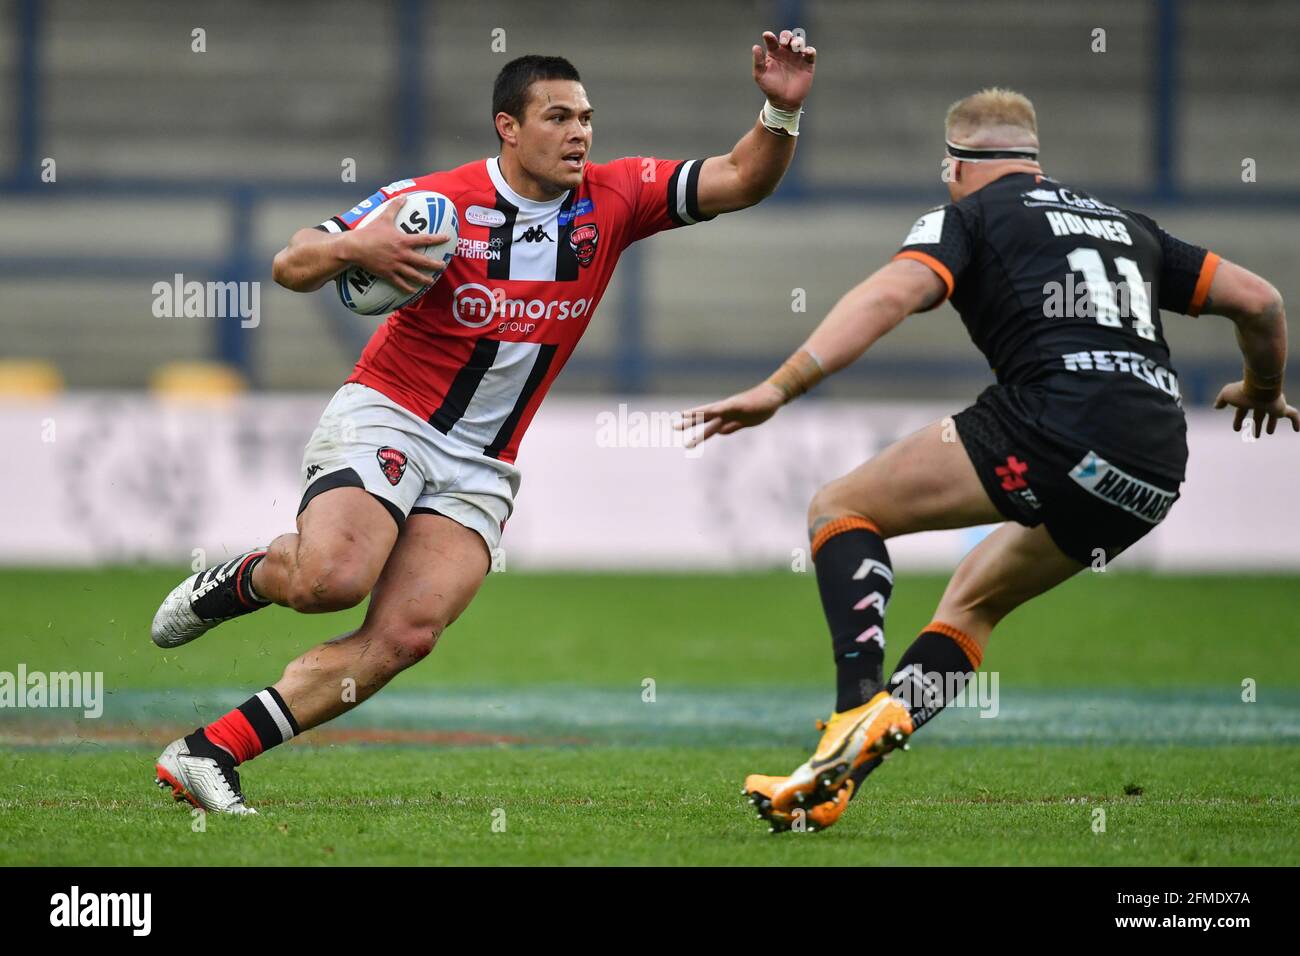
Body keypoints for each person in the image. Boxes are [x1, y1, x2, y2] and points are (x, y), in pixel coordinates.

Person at [149, 33, 818, 814]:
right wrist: (358, 244)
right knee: (331, 579)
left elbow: (743, 178)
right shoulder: (436, 203)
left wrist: (780, 108)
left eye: (588, 119)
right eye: (560, 117)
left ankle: (208, 753)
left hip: (482, 460)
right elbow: (292, 262)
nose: (580, 134)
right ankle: (244, 577)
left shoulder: (616, 197)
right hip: (392, 415)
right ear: (508, 126)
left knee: (407, 637)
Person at [680, 87, 1297, 833]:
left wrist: (782, 386)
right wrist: (1264, 386)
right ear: (1032, 160)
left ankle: (851, 716)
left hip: (1057, 423)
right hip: (1155, 463)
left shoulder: (966, 215)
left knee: (840, 508)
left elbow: (890, 295)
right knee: (974, 603)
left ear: (958, 165)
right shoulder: (1126, 225)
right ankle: (838, 778)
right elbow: (1260, 301)